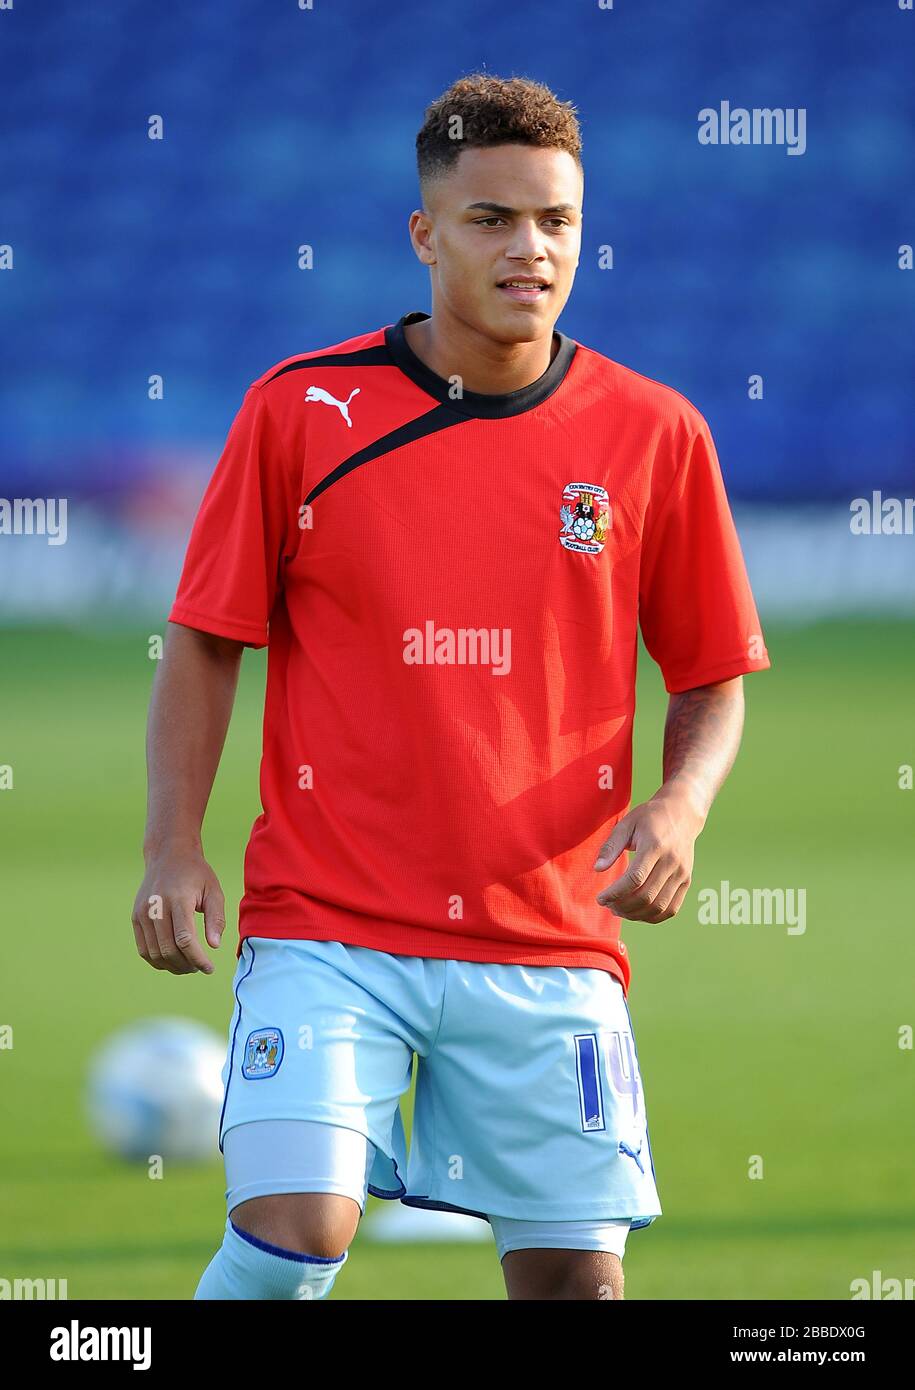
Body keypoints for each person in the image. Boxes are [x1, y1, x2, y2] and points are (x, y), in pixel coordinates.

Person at [132, 72, 769, 1301]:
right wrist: (172, 843)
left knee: (575, 1286)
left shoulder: (657, 433)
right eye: (491, 219)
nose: (530, 248)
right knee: (292, 1233)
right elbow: (207, 636)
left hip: (553, 938)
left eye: (556, 221)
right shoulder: (300, 410)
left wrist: (681, 806)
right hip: (330, 923)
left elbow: (713, 674)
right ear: (425, 234)